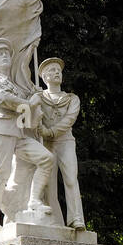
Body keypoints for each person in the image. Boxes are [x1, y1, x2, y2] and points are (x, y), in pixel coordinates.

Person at [0, 38, 55, 230]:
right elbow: (4, 99)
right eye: (0, 54)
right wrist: (28, 103)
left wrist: (36, 98)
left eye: (7, 53)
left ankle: (33, 201)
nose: (5, 56)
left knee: (46, 159)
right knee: (0, 176)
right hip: (2, 129)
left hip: (20, 133)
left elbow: (28, 108)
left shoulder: (15, 85)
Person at [37, 57, 84, 229]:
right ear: (44, 77)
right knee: (49, 183)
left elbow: (69, 120)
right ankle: (53, 220)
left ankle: (76, 218)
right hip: (46, 144)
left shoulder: (72, 99)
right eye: (52, 70)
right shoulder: (39, 97)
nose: (57, 72)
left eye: (59, 70)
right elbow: (33, 117)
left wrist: (50, 131)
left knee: (71, 178)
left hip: (65, 142)